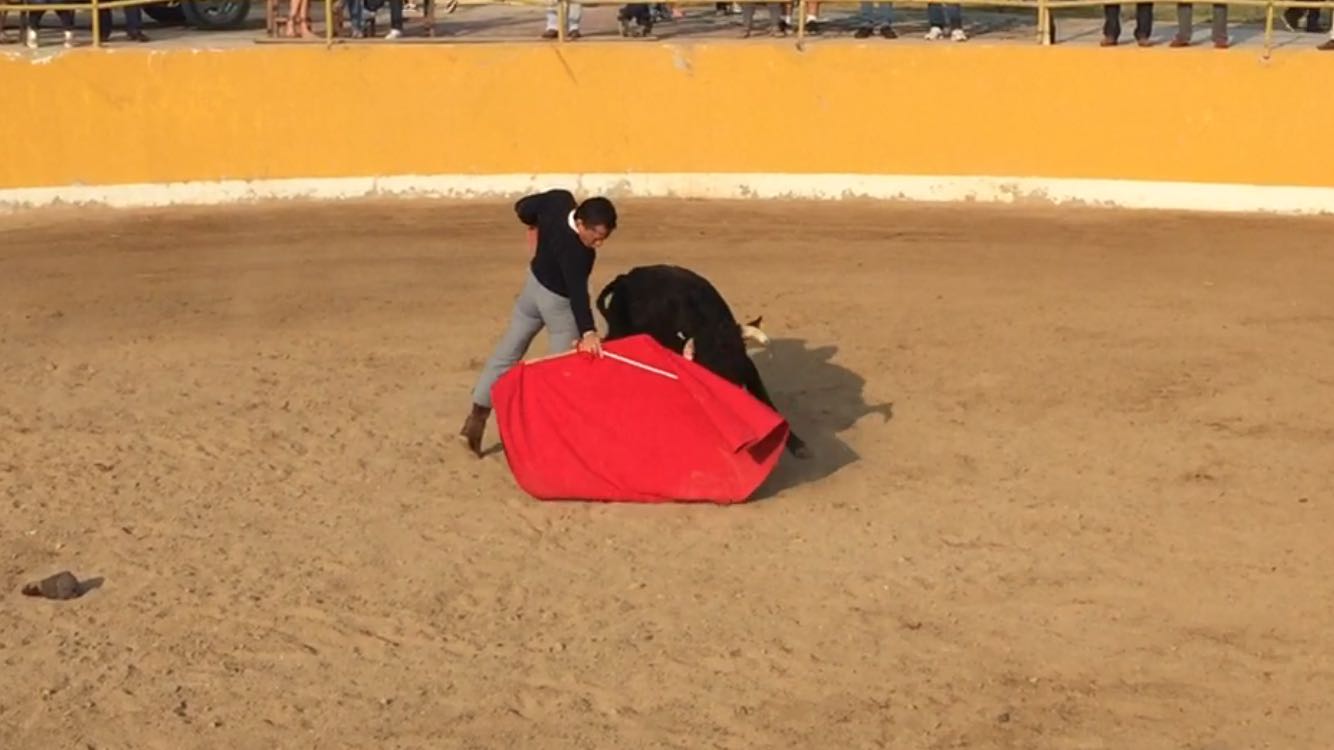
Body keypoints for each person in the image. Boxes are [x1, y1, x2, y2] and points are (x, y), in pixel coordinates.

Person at [458, 189, 617, 457]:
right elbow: (578, 294)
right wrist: (588, 331)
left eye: (604, 238)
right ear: (580, 224)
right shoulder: (579, 252)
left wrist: (535, 222)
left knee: (505, 355)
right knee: (561, 372)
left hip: (532, 291)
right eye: (596, 236)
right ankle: (550, 438)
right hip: (559, 307)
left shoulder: (558, 201)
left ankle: (475, 421)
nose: (598, 243)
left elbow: (522, 207)